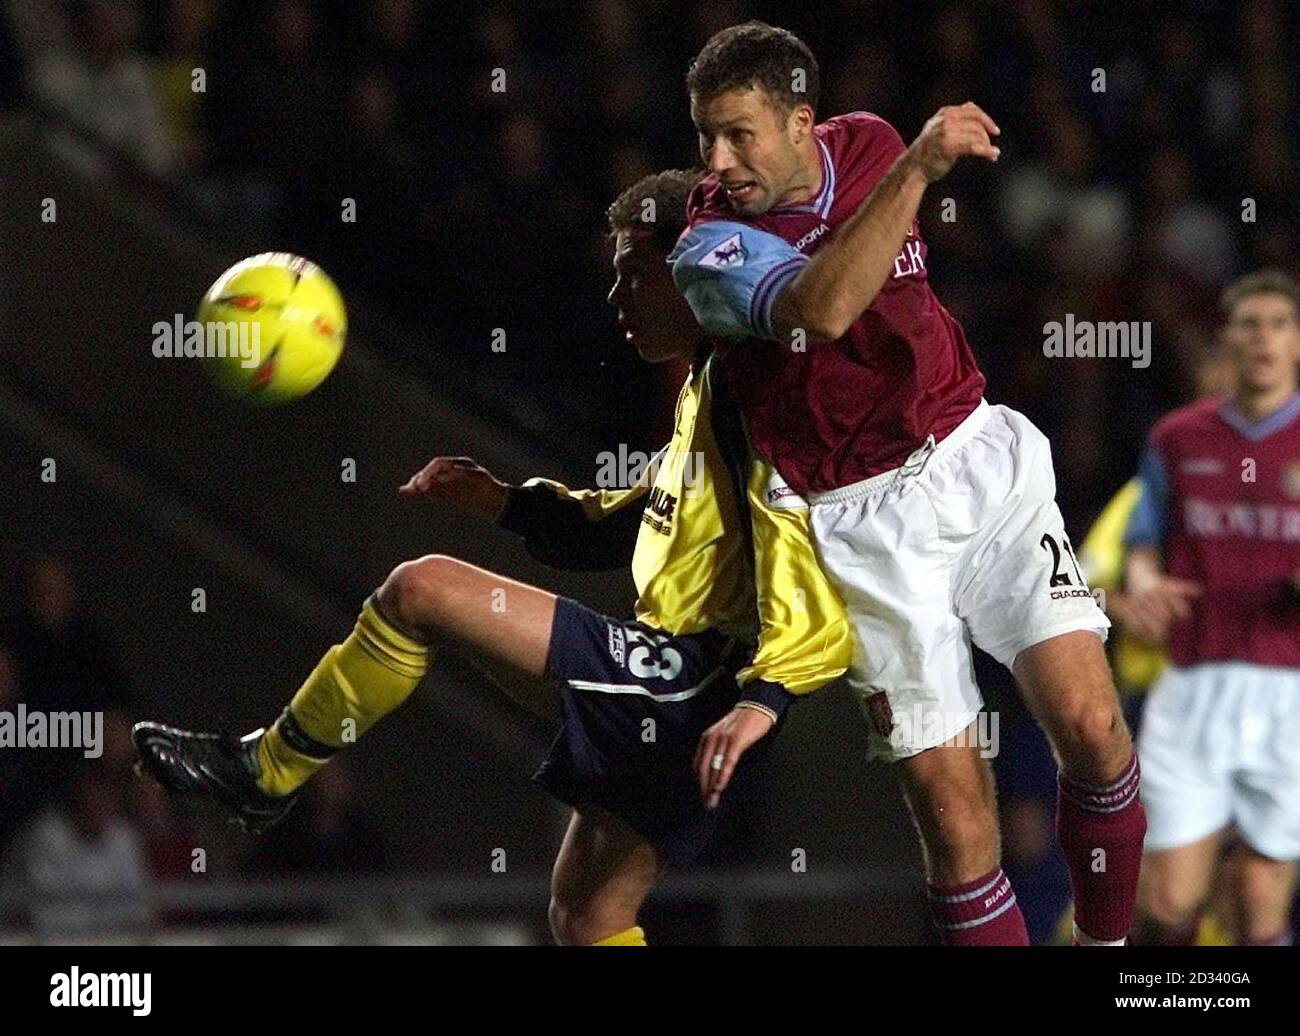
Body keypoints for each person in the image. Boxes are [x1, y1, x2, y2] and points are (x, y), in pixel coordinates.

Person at [132, 169, 853, 946]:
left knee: (423, 592)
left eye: (634, 274)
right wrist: (508, 501)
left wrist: (767, 697)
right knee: (588, 918)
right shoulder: (707, 388)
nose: (616, 298)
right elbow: (628, 522)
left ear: (693, 270)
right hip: (689, 684)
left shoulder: (758, 390)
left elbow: (807, 561)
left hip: (703, 682)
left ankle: (262, 775)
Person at [669, 21, 1142, 945]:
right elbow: (823, 307)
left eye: (738, 133)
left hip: (975, 461)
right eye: (704, 136)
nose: (718, 159)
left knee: (1093, 730)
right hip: (858, 529)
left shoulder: (871, 144)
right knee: (960, 820)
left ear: (802, 122)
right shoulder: (707, 247)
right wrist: (923, 167)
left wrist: (907, 162)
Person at [1125, 269, 1300, 947]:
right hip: (1193, 682)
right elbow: (1140, 540)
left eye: (1279, 324)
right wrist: (1141, 583)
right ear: (1226, 338)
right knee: (1168, 903)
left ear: (1296, 343)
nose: (1263, 338)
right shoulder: (1177, 437)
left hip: (1289, 689)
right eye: (1249, 324)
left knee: (1258, 899)